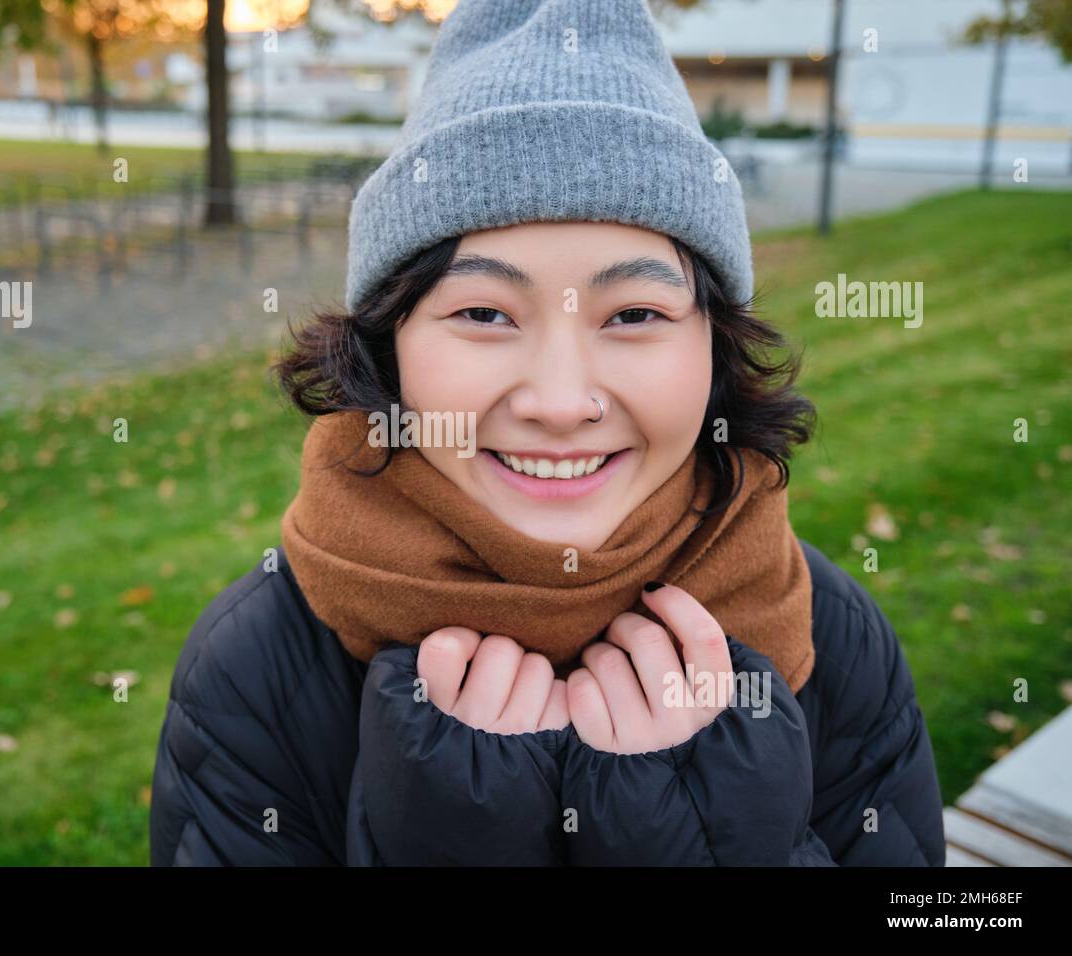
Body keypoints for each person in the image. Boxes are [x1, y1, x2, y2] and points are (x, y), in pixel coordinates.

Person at [149, 0, 946, 866]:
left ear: (714, 347)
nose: (562, 402)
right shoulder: (255, 669)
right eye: (485, 312)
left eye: (634, 312)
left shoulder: (832, 633)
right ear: (390, 348)